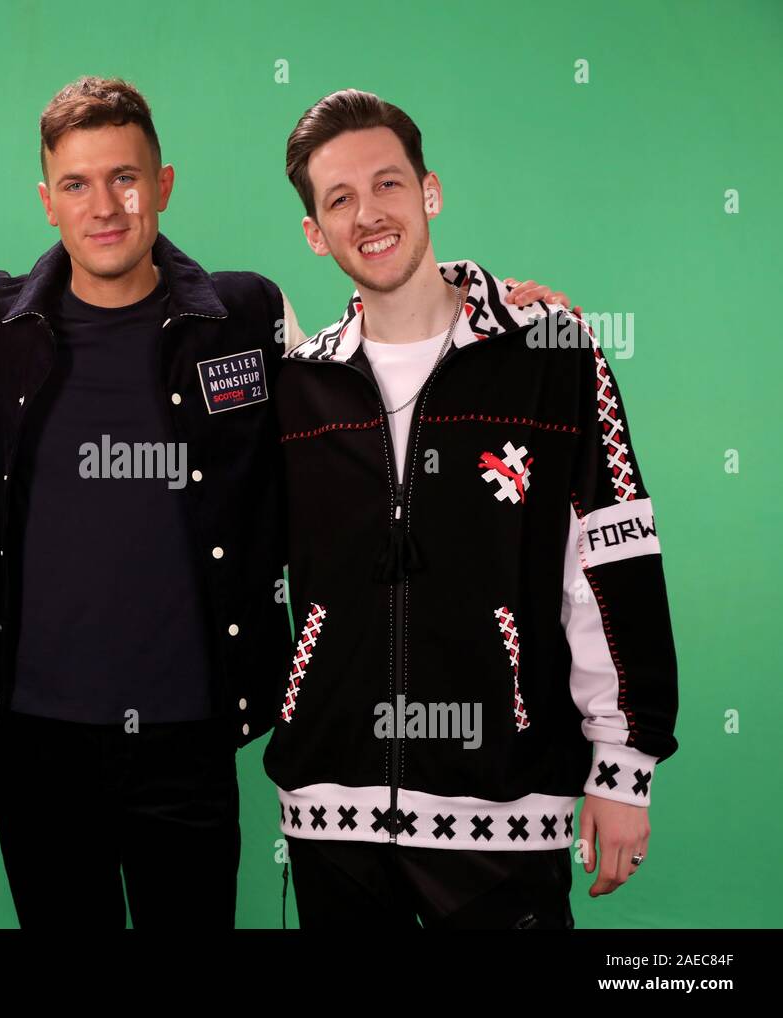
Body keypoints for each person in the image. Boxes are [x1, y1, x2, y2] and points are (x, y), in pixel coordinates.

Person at [0, 76, 572, 928]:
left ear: (162, 184)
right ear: (47, 201)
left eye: (126, 178)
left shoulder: (243, 315)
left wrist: (494, 313)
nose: (105, 205)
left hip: (192, 739)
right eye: (77, 184)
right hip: (35, 741)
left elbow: (374, 366)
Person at [264, 88, 679, 929]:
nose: (368, 214)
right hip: (328, 812)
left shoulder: (551, 354)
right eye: (338, 199)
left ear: (430, 192)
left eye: (387, 184)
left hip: (506, 805)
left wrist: (623, 768)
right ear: (315, 233)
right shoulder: (298, 388)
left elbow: (609, 557)